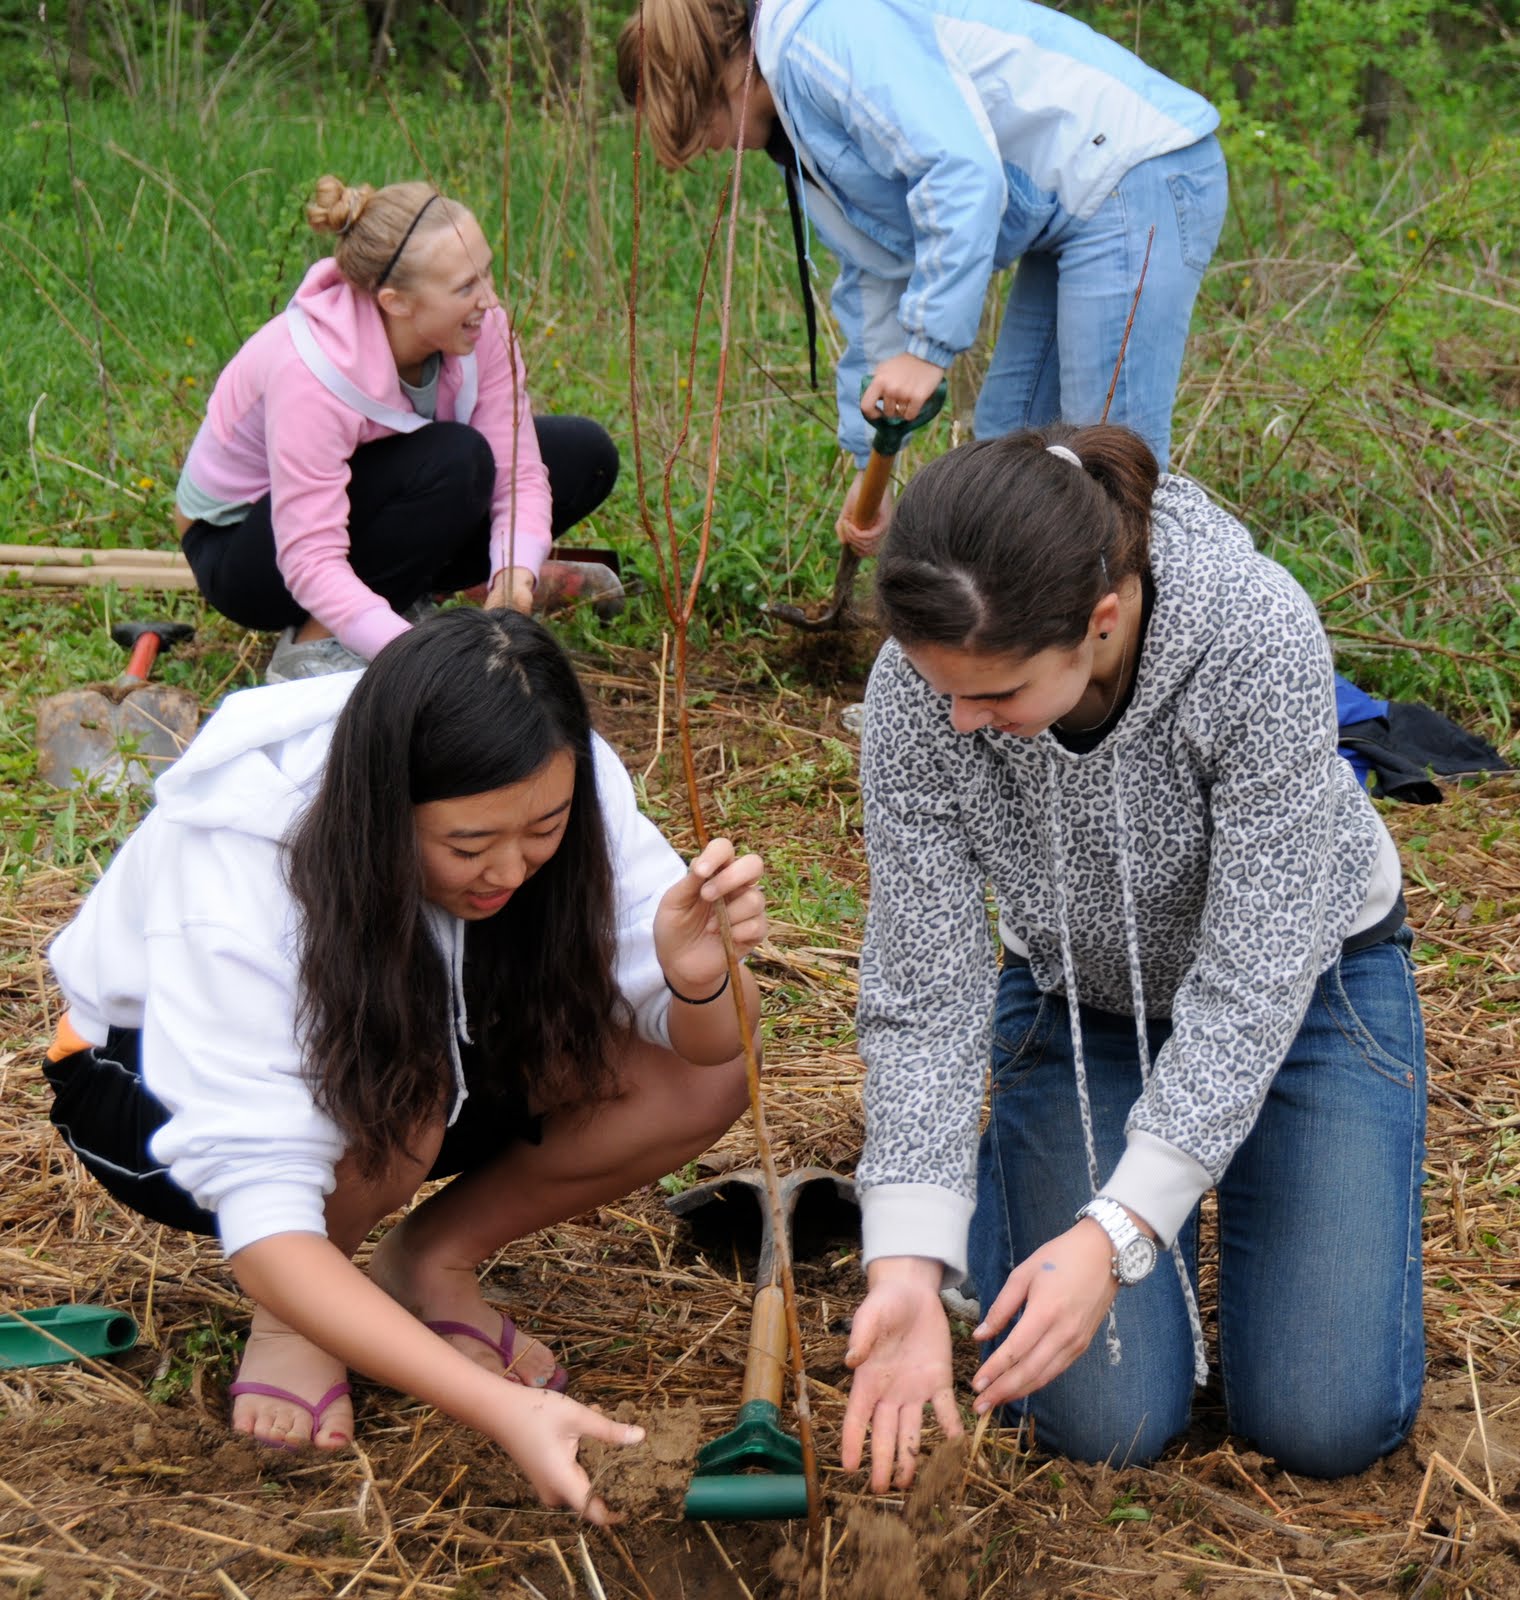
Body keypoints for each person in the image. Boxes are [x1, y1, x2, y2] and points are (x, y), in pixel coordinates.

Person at [43, 609, 765, 1522]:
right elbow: (262, 1202)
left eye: (542, 830)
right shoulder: (242, 850)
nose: (510, 867)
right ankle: (297, 1319)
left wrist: (698, 982)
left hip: (422, 1044)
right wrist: (501, 1410)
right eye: (467, 846)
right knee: (401, 1091)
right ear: (383, 806)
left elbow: (702, 1054)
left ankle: (429, 1261)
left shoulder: (558, 771)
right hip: (147, 1084)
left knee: (707, 1069)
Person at [839, 427, 1426, 1492]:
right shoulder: (922, 690)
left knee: (1323, 1421)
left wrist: (1114, 1230)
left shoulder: (1253, 635)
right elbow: (925, 988)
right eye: (942, 692)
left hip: (1306, 993)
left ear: (1099, 623)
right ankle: (994, 1197)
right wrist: (906, 1259)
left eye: (997, 696)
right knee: (1106, 1419)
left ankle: (1230, 1168)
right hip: (1083, 1002)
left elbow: (1254, 982)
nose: (960, 723)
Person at [618, 0, 1227, 552]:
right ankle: (1023, 653)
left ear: (718, 77)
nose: (706, 148)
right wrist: (870, 463)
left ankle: (1161, 652)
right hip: (1070, 209)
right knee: (1010, 451)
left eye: (693, 127)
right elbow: (874, 277)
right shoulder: (797, 135)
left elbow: (960, 171)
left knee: (1106, 467)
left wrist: (928, 347)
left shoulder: (825, 38)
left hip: (1136, 173)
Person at [175, 176, 623, 685]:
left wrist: (513, 576)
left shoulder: (483, 328)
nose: (491, 300)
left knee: (583, 455)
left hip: (371, 494)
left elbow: (517, 473)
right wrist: (414, 656)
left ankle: (403, 598)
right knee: (457, 460)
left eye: (487, 274)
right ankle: (315, 645)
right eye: (466, 287)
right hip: (242, 548)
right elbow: (308, 556)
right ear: (395, 302)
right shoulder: (311, 370)